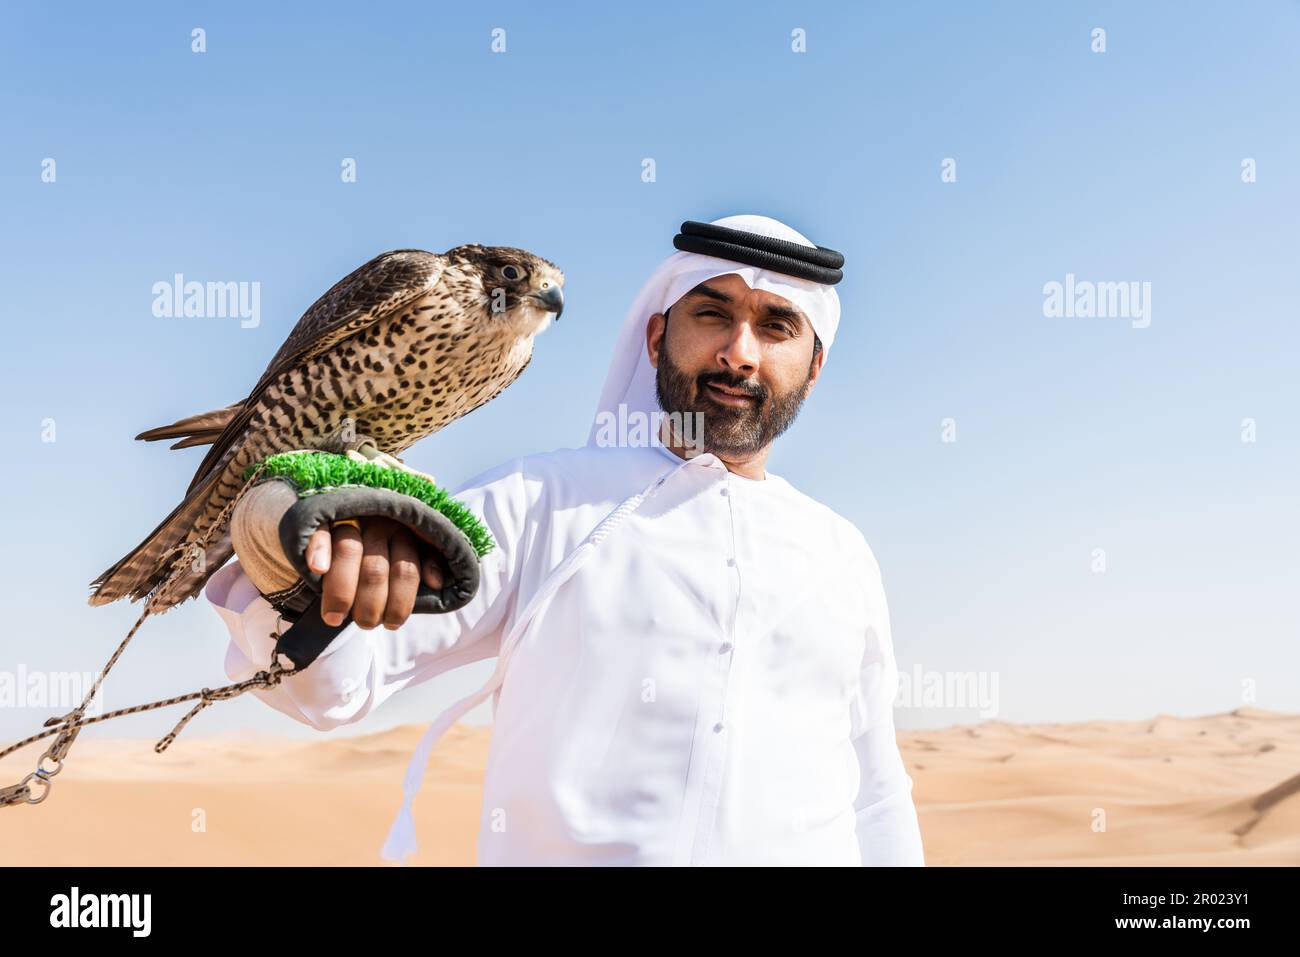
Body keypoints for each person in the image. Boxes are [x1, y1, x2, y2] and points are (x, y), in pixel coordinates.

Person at [205, 214, 926, 866]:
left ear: (815, 363)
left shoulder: (842, 554)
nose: (739, 353)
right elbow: (328, 687)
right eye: (712, 314)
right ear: (655, 336)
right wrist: (289, 554)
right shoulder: (539, 502)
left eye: (776, 327)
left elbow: (875, 793)